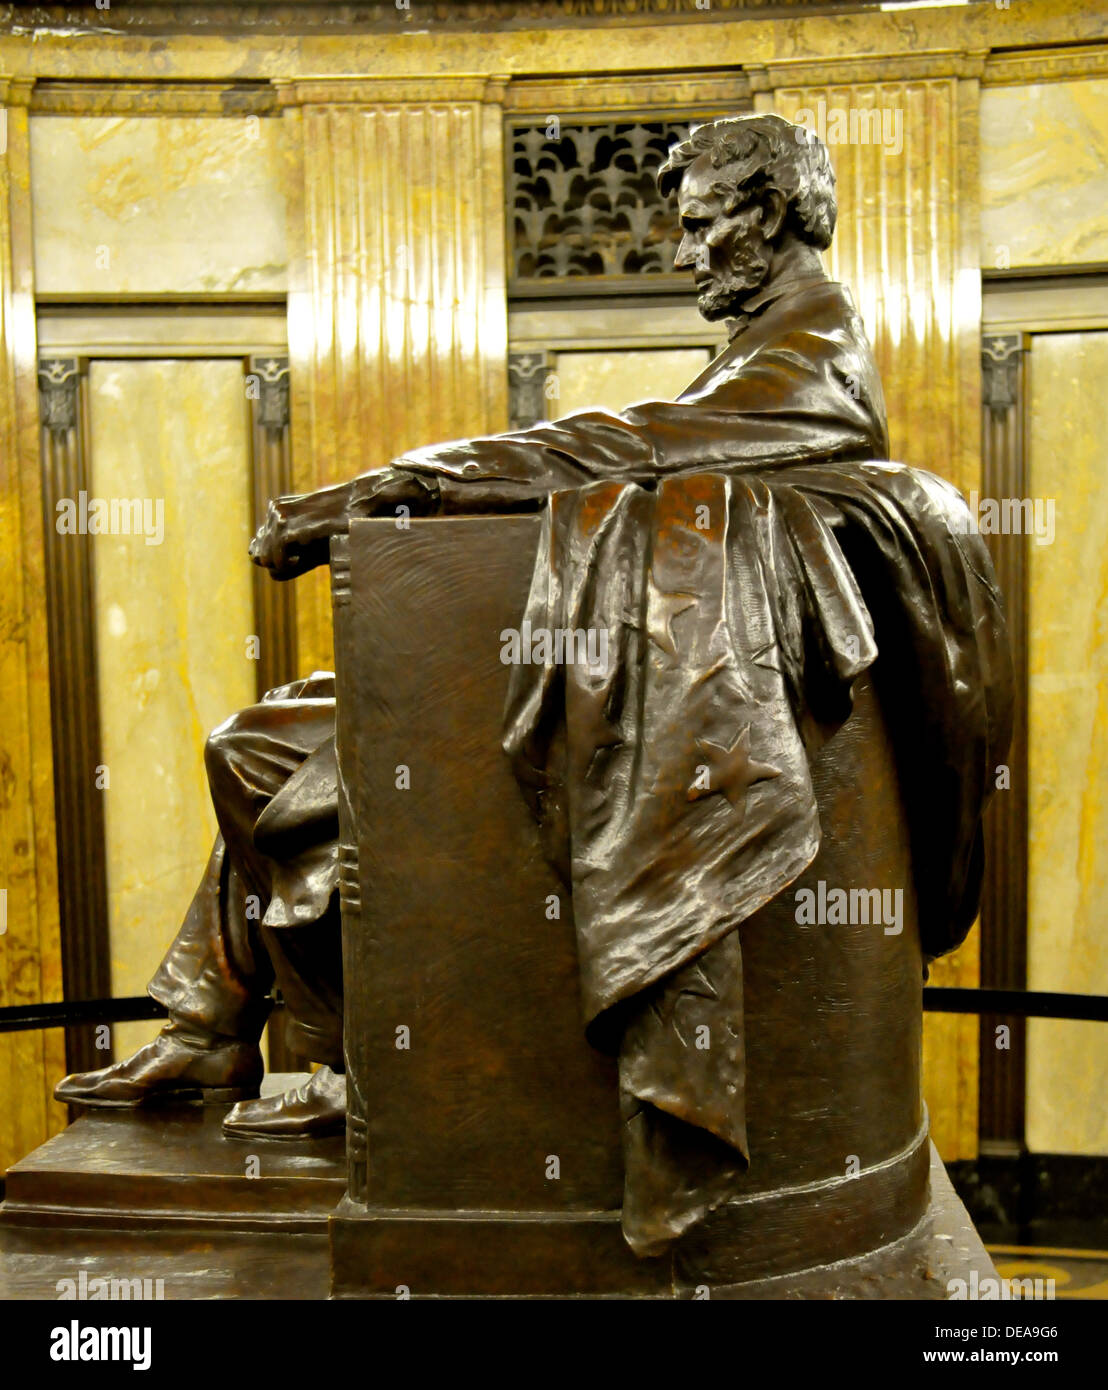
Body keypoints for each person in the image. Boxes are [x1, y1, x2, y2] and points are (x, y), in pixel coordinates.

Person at [56, 112, 897, 1140]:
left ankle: (337, 1060)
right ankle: (211, 1023)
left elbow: (628, 446)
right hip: (590, 679)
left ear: (765, 213)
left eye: (698, 224)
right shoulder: (773, 347)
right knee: (273, 725)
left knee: (263, 752)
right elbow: (639, 463)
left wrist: (394, 487)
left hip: (621, 716)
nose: (683, 254)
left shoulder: (811, 355)